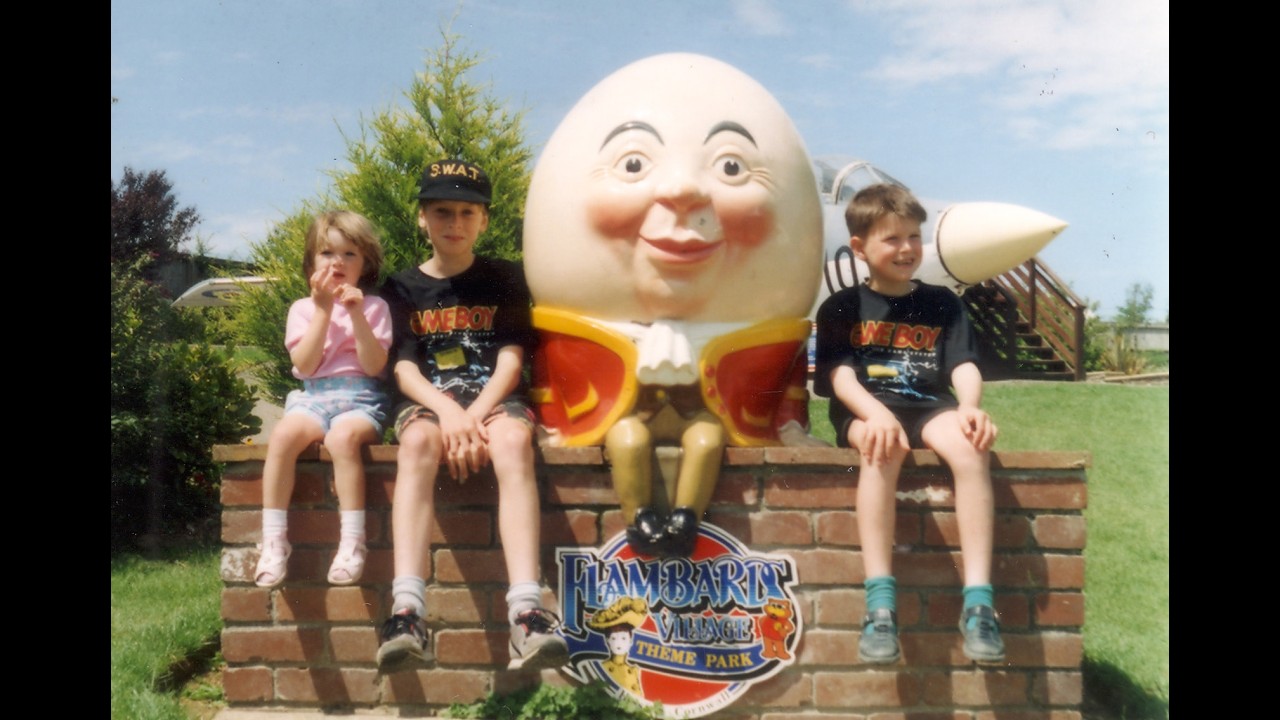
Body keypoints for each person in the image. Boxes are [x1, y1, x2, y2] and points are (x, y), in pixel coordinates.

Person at [373, 159, 570, 672]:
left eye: (467, 211)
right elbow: (404, 368)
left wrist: (475, 413)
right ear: (422, 218)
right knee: (417, 444)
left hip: (493, 399)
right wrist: (447, 413)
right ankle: (407, 611)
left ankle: (527, 611)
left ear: (483, 220)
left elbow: (511, 356)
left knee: (509, 442)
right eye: (442, 211)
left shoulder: (505, 277)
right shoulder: (400, 288)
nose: (454, 223)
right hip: (430, 401)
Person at [813, 183, 1005, 665]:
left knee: (969, 448)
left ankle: (979, 603)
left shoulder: (943, 303)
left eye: (914, 237)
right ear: (859, 247)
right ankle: (880, 607)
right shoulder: (841, 308)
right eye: (891, 239)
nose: (906, 249)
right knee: (883, 449)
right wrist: (874, 413)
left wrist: (970, 406)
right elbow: (839, 376)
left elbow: (961, 363)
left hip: (929, 407)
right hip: (868, 411)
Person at [254, 211, 392, 589]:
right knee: (282, 437)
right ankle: (274, 541)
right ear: (311, 262)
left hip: (361, 398)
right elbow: (305, 363)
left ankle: (352, 543)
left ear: (365, 264)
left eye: (350, 254)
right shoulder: (302, 309)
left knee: (342, 440)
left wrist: (356, 314)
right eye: (327, 253)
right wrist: (323, 310)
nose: (337, 262)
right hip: (313, 397)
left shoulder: (376, 308)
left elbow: (374, 364)